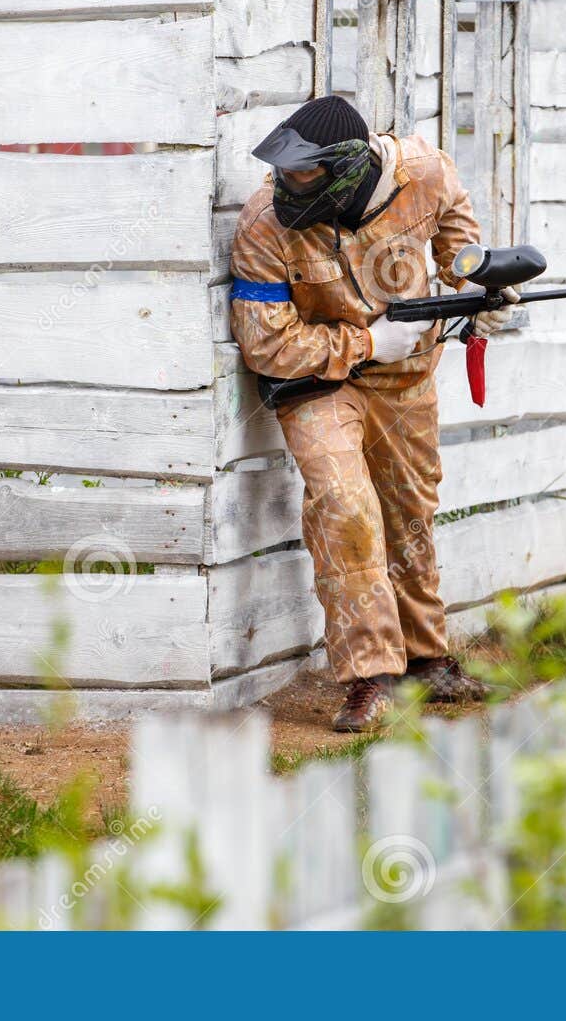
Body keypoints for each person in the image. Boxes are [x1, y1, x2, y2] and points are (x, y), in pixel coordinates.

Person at [228, 95, 519, 732]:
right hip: (314, 382)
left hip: (406, 378)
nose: (287, 185)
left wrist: (473, 288)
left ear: (349, 169)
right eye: (284, 172)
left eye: (303, 174)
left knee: (409, 509)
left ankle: (426, 660)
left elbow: (458, 239)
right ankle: (370, 675)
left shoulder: (425, 174)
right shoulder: (263, 225)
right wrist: (364, 343)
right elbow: (266, 343)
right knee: (345, 506)